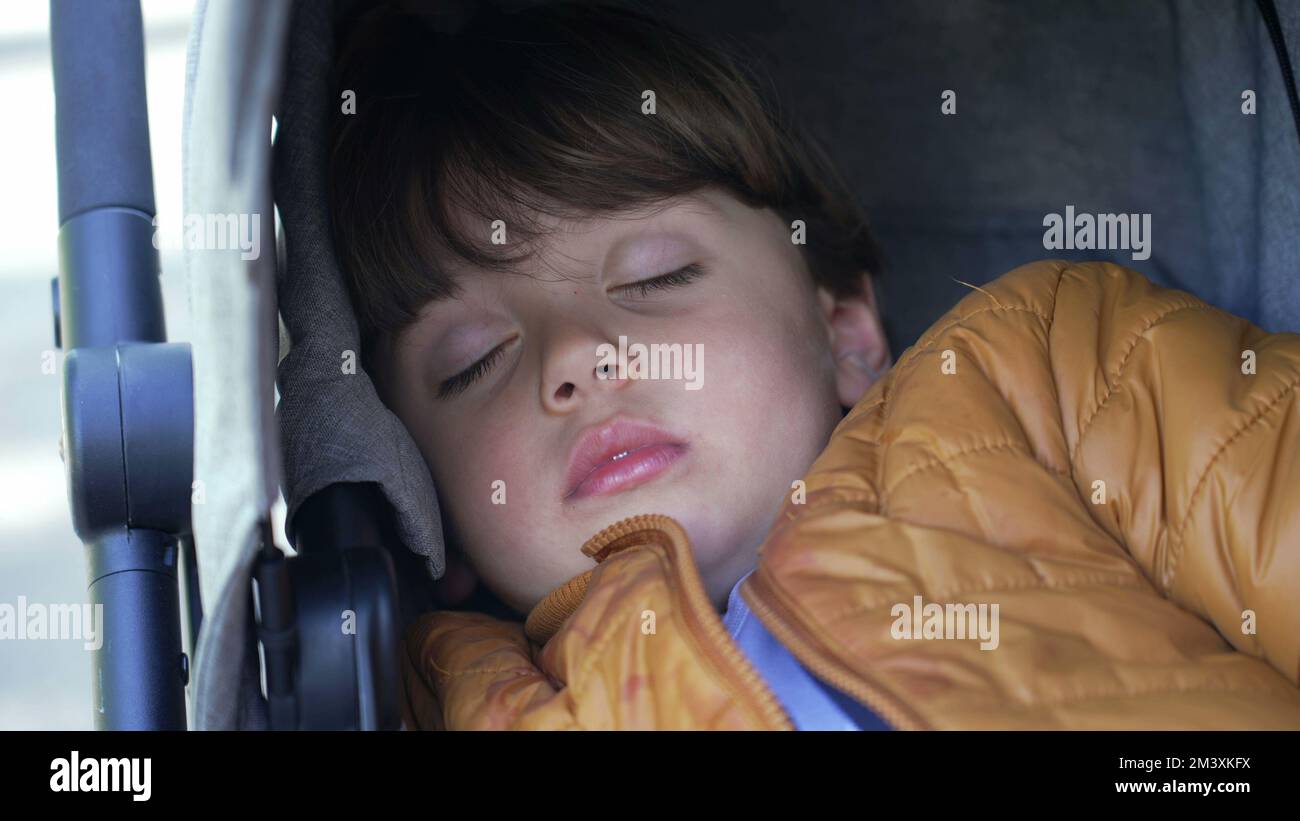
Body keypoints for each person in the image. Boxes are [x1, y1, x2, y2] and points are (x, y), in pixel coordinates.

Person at [328, 2, 1300, 729]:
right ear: (426, 502)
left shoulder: (1041, 379)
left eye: (657, 276)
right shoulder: (462, 699)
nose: (575, 356)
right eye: (473, 362)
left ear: (843, 330)